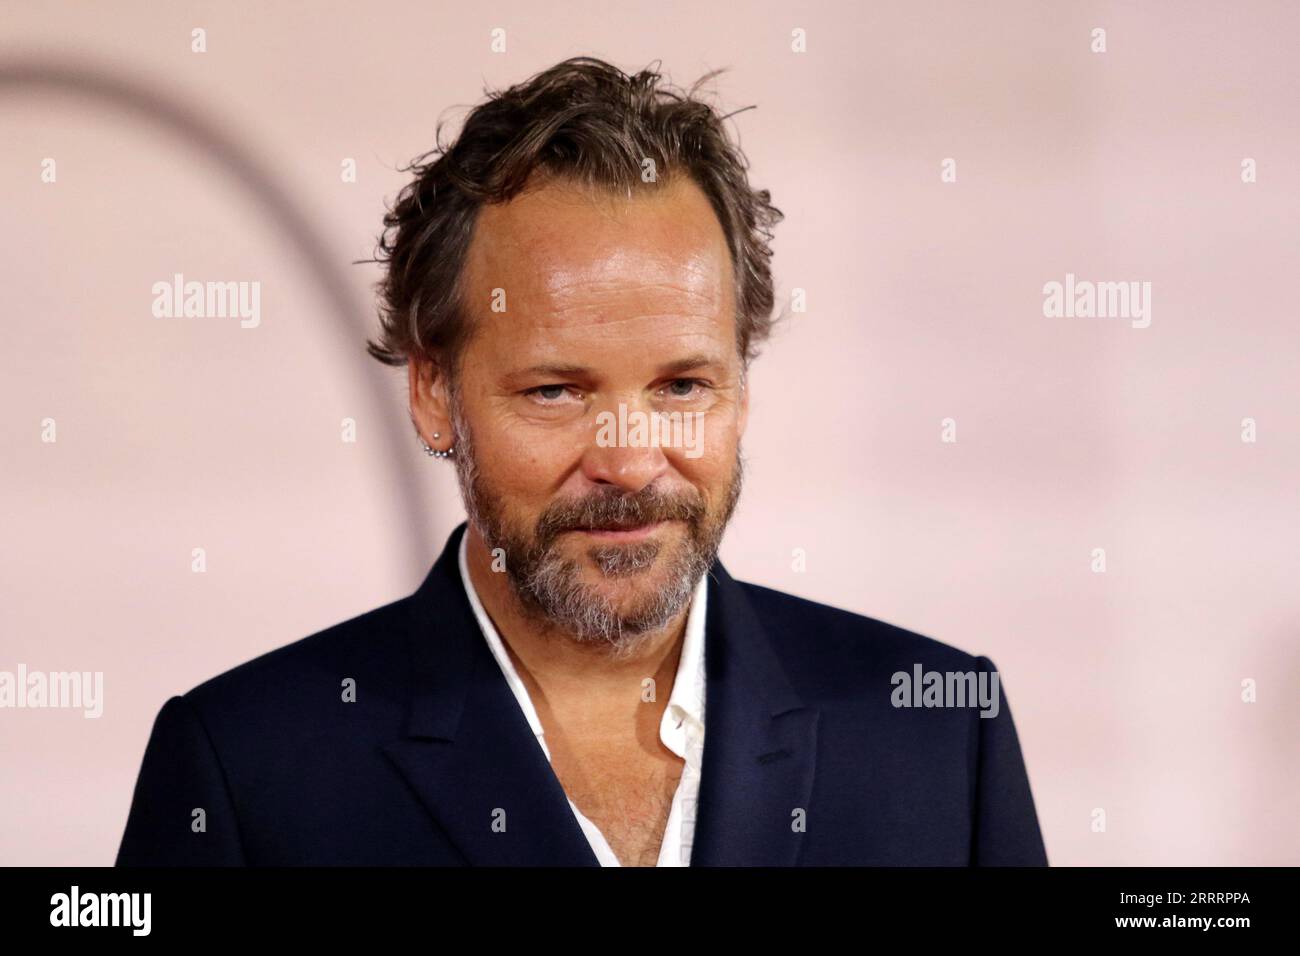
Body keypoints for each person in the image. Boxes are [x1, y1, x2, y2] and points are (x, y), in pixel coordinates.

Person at [116, 57, 1047, 866]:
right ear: (435, 391)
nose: (630, 463)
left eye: (682, 386)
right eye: (557, 391)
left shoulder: (936, 734)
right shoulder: (248, 772)